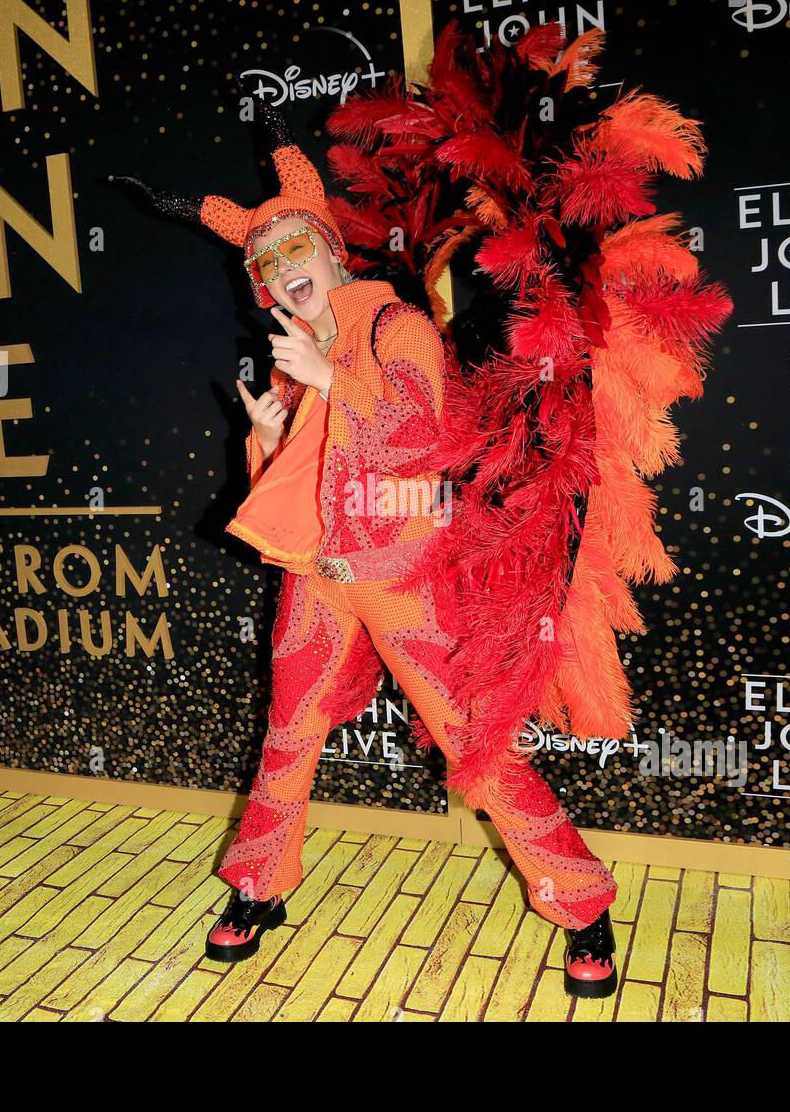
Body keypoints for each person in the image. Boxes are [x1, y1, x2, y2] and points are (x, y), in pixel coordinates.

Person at [110, 109, 620, 999]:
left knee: (475, 745)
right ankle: (260, 887)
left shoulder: (398, 328)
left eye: (293, 251)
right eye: (261, 265)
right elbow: (301, 488)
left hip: (403, 580)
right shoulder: (293, 357)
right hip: (319, 583)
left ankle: (582, 901)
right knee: (288, 734)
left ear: (333, 253)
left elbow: (422, 440)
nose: (280, 273)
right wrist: (266, 439)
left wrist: (325, 381)